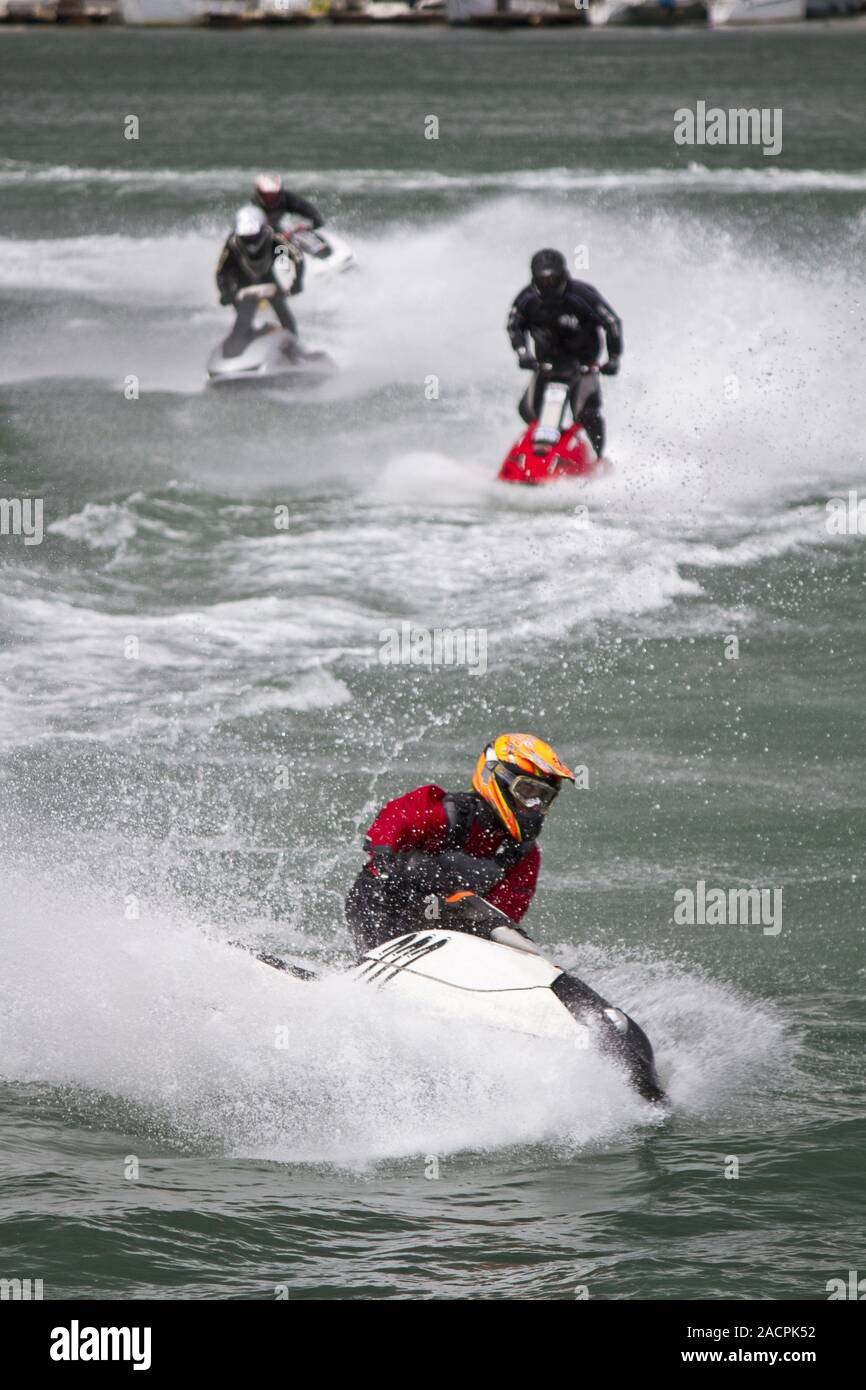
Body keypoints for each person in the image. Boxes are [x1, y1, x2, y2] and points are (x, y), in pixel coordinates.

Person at [345, 733, 574, 957]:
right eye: (527, 792)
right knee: (426, 875)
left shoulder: (523, 855)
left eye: (543, 797)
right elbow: (396, 818)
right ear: (497, 778)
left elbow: (505, 910)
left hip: (443, 920)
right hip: (383, 903)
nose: (534, 806)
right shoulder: (450, 813)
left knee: (481, 913)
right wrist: (384, 855)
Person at [507, 248, 623, 457]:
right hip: (547, 365)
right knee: (528, 410)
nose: (549, 285)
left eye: (554, 280)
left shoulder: (582, 294)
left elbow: (612, 323)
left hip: (583, 366)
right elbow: (514, 326)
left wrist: (613, 359)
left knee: (586, 414)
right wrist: (522, 353)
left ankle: (598, 457)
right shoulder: (527, 298)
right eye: (544, 281)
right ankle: (541, 451)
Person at [215, 205, 304, 345]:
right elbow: (222, 272)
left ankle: (293, 344)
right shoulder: (233, 243)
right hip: (242, 280)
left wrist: (297, 283)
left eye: (253, 235)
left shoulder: (276, 238)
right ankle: (242, 342)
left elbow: (297, 258)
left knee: (280, 307)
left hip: (268, 277)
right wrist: (225, 292)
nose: (250, 240)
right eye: (246, 237)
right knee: (243, 314)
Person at [252, 173, 324, 232]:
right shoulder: (254, 205)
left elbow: (316, 217)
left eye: (274, 195)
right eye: (267, 195)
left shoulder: (289, 199)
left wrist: (306, 228)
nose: (270, 198)